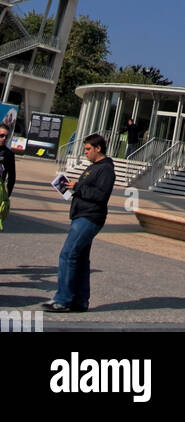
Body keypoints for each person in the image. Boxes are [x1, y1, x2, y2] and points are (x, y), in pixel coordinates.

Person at [45, 133, 115, 313]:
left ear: (98, 148)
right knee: (81, 259)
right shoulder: (94, 167)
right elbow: (87, 190)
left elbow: (101, 195)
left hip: (90, 217)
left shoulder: (106, 169)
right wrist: (71, 189)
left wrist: (77, 187)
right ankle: (80, 300)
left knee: (67, 255)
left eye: (88, 149)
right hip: (81, 215)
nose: (85, 152)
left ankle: (63, 299)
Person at [0, 121, 16, 227]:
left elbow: (12, 177)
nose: (4, 138)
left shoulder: (9, 154)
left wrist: (7, 195)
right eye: (1, 135)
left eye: (6, 136)